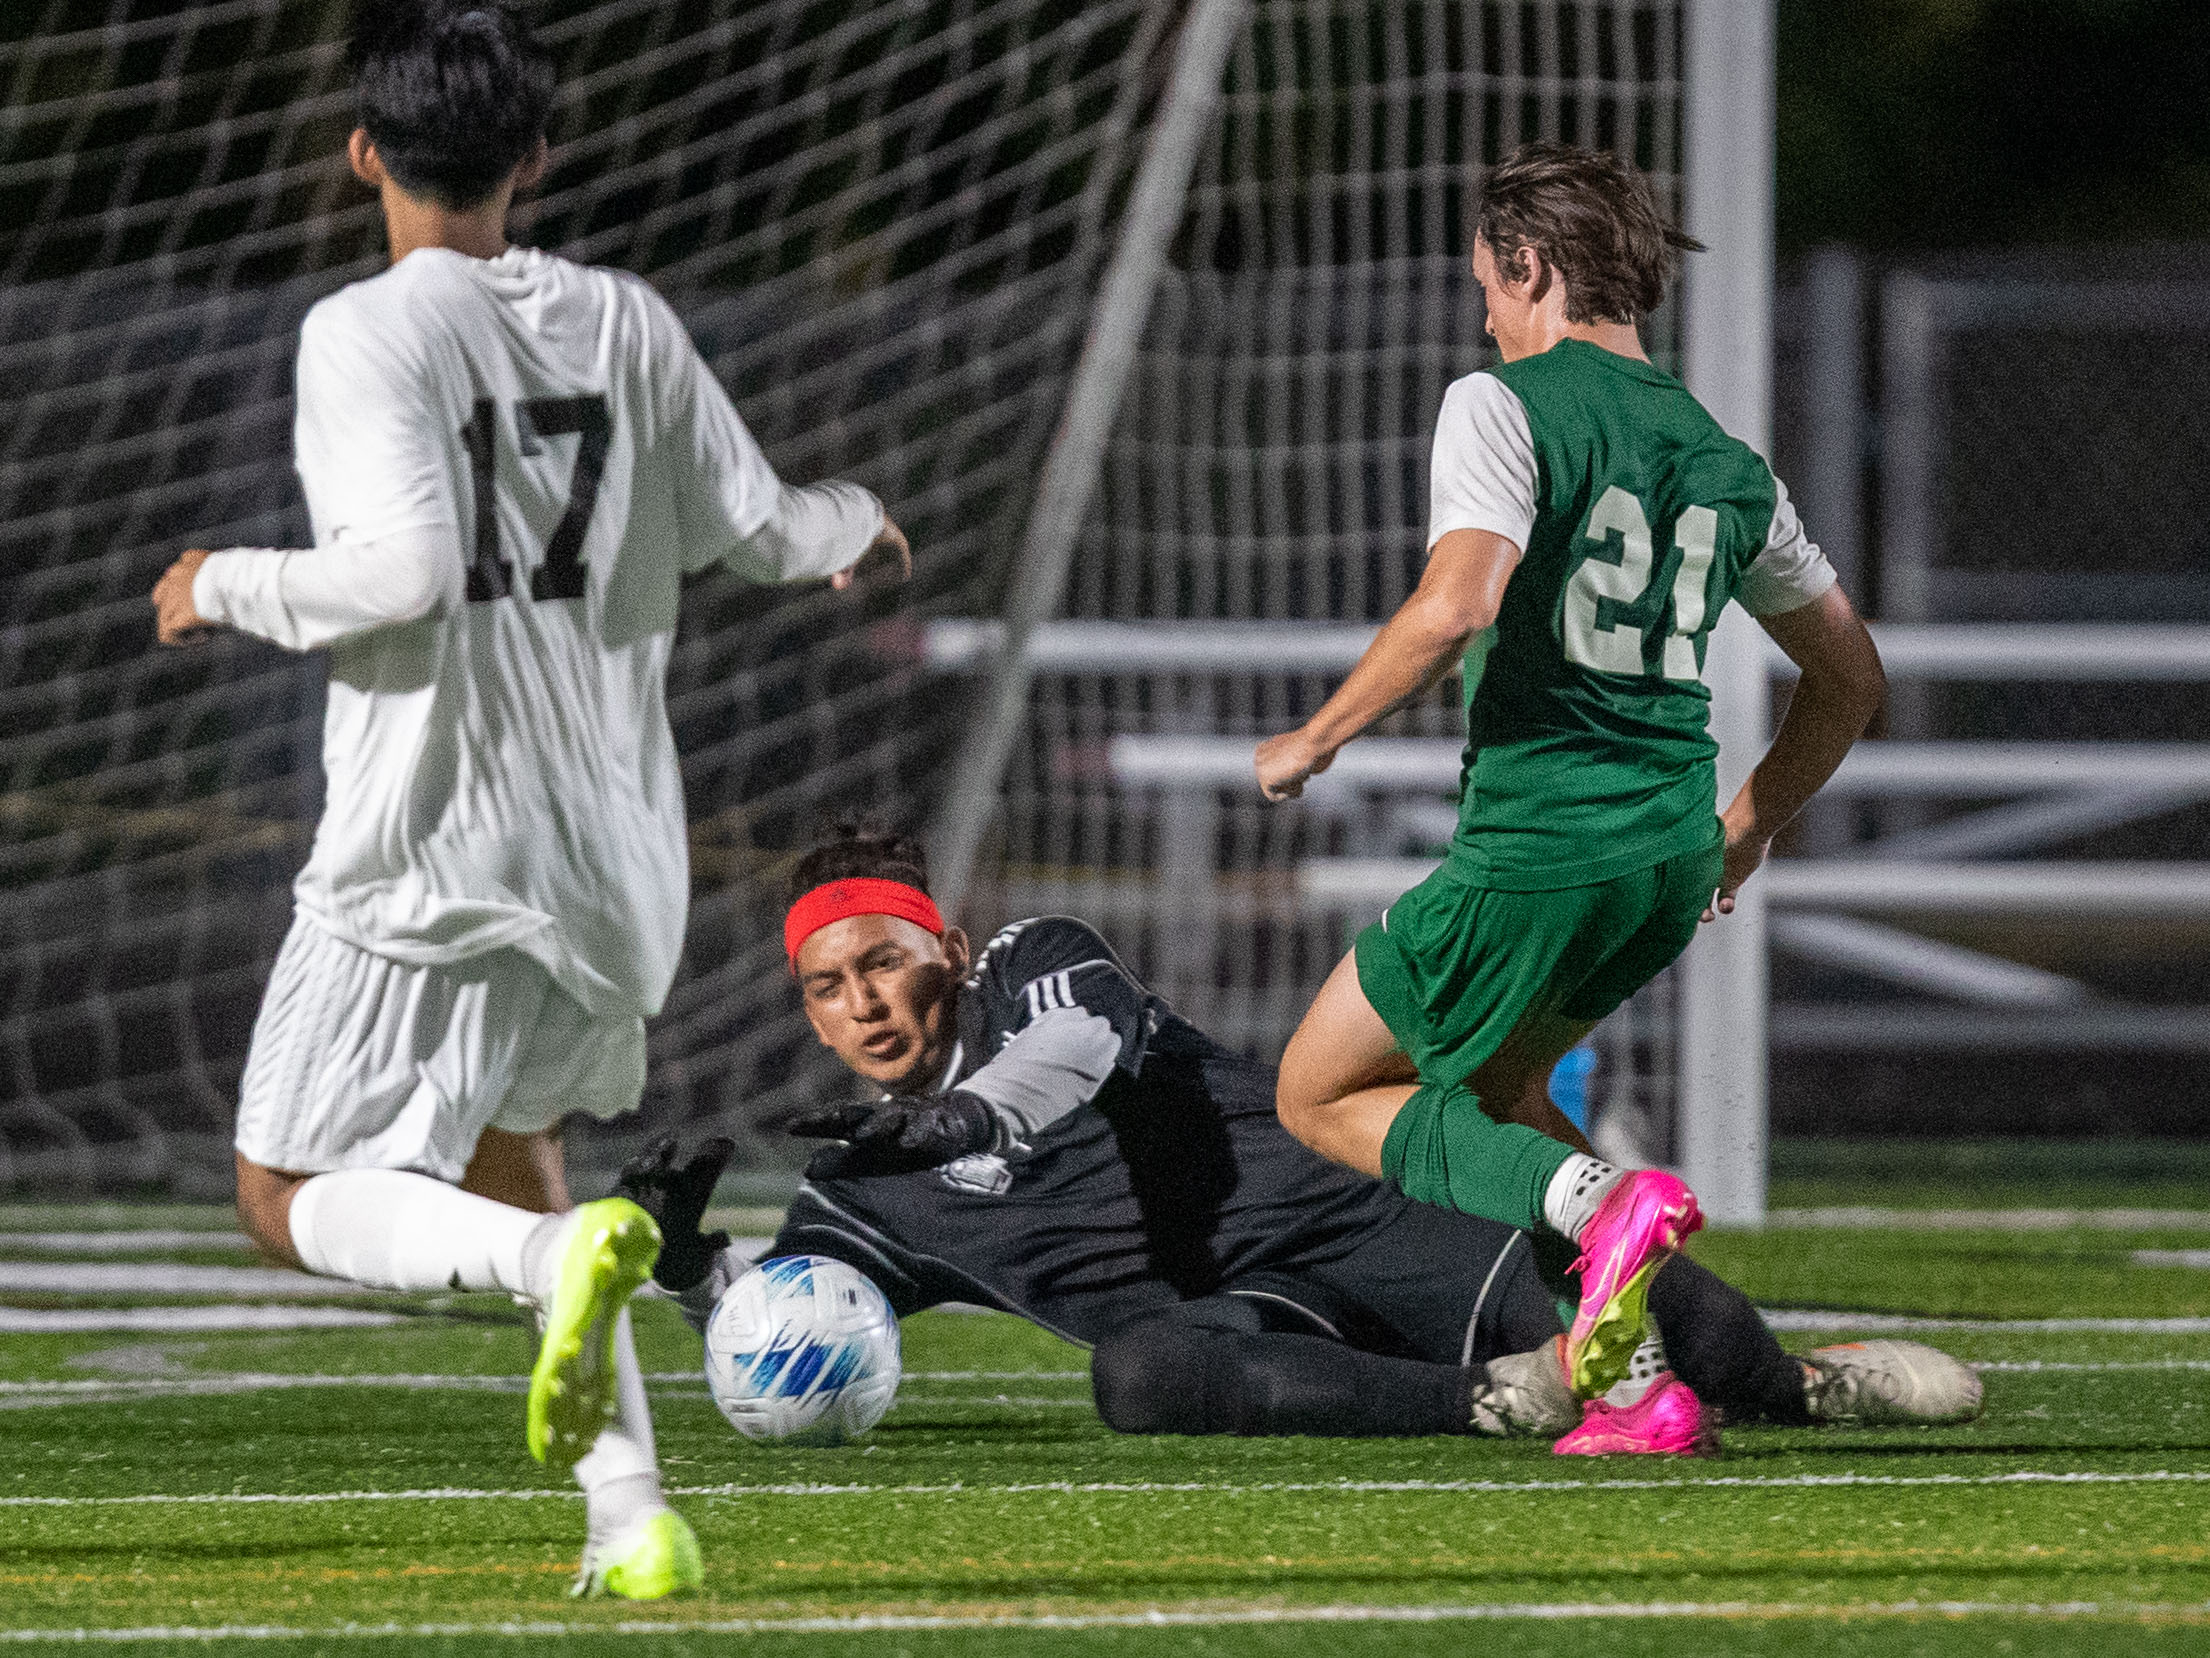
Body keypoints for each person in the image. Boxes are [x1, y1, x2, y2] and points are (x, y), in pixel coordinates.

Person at [146, 0, 909, 1600]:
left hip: (434, 846)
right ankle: (632, 1516)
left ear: (364, 151)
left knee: (284, 1193)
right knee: (519, 1151)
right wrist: (863, 515)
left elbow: (402, 573)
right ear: (536, 159)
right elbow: (770, 529)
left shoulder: (365, 331)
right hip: (617, 859)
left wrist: (222, 580)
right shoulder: (625, 317)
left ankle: (547, 1272)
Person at [621, 826, 1980, 1451]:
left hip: (1358, 1219)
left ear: (950, 950)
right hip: (1249, 1319)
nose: (862, 1001)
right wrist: (689, 1266)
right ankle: (1505, 1395)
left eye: (885, 961)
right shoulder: (859, 1179)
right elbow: (794, 1322)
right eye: (827, 984)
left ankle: (1797, 1382)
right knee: (1136, 1378)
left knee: (1702, 1334)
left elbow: (1072, 1054)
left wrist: (954, 1120)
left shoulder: (1037, 965)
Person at [1251, 144, 1887, 1399]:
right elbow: (1853, 678)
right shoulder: (1723, 458)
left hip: (1543, 844)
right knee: (1494, 1100)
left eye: (1486, 280)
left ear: (1527, 265)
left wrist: (1314, 737)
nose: (1482, 309)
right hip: (1664, 860)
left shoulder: (1502, 402)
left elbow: (1452, 607)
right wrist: (1745, 830)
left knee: (1318, 1092)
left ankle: (1609, 1200)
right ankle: (1642, 1381)